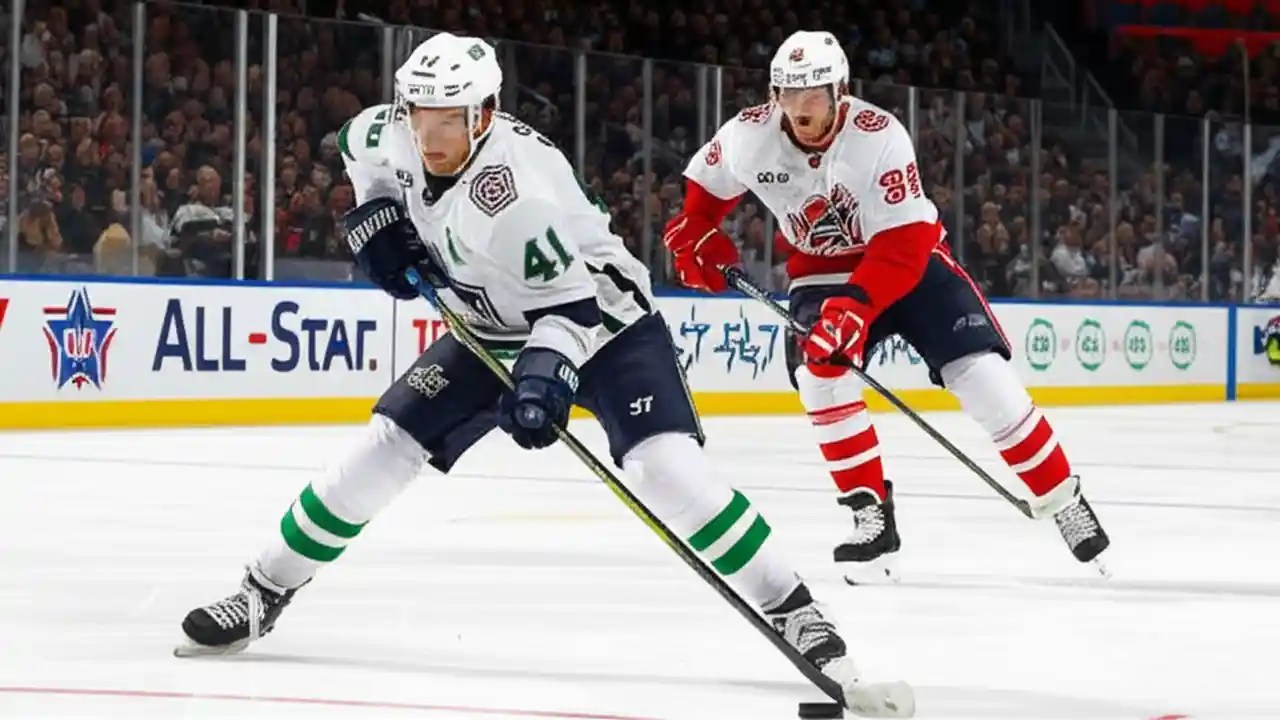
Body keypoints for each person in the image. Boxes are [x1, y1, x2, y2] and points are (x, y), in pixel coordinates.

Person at [176, 33, 910, 715]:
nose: (429, 140)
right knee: (385, 442)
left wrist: (543, 378)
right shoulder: (387, 130)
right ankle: (261, 591)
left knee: (667, 472)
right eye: (419, 117)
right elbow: (357, 152)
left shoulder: (519, 194)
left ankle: (792, 605)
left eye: (448, 122)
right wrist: (373, 217)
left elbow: (570, 304)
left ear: (485, 113)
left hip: (605, 322)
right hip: (491, 321)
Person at [663, 30, 1110, 583]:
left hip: (909, 261)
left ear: (840, 91)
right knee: (819, 376)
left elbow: (899, 243)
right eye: (788, 95)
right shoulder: (749, 134)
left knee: (981, 376)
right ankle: (870, 512)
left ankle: (1062, 497)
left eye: (814, 96)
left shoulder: (878, 136)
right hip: (822, 273)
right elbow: (701, 195)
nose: (801, 111)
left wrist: (855, 309)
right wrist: (695, 234)